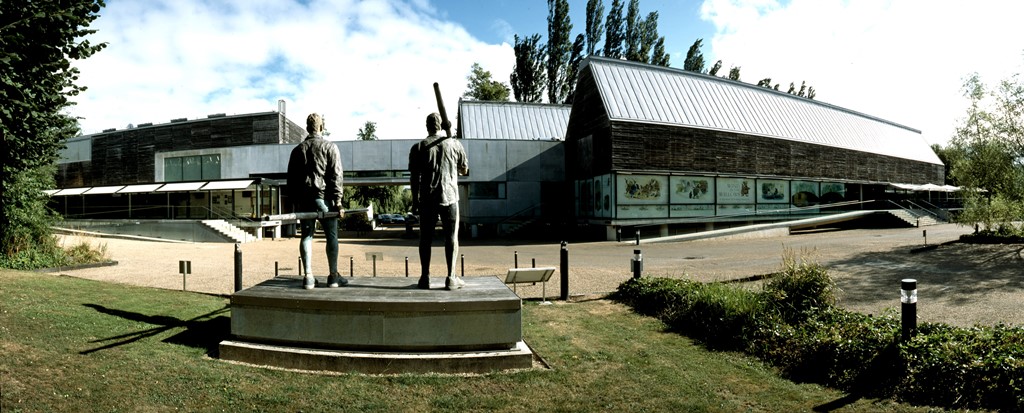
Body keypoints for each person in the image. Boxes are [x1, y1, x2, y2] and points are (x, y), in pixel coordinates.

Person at [409, 113, 469, 290]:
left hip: (427, 199)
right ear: (441, 126)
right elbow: (464, 170)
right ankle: (451, 277)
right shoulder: (455, 144)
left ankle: (424, 277)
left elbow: (414, 178)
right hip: (449, 197)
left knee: (425, 239)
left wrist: (414, 201)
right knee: (451, 238)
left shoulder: (418, 147)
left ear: (427, 126)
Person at [287, 113, 346, 290]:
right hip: (324, 200)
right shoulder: (330, 147)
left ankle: (308, 277)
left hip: (305, 201)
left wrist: (296, 201)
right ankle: (334, 277)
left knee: (306, 236)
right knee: (332, 236)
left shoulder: (297, 150)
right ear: (322, 127)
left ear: (307, 127)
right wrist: (338, 201)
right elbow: (337, 176)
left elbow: (292, 180)